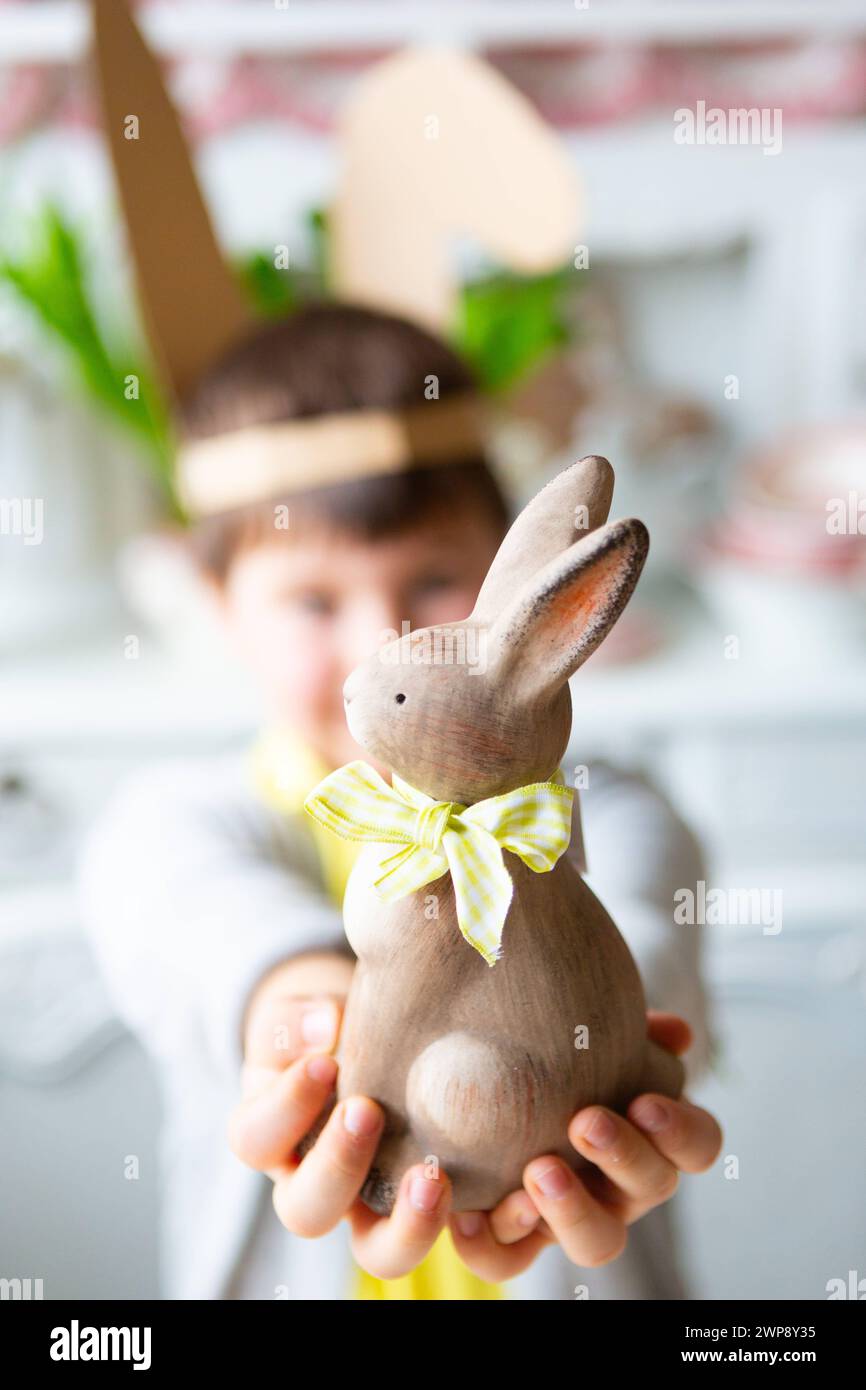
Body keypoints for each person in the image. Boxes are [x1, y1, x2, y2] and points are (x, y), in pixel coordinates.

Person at [79, 303, 722, 1300]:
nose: (377, 640)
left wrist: (605, 1051)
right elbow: (194, 915)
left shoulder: (609, 805)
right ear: (217, 611)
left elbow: (643, 933)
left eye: (430, 581)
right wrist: (305, 1018)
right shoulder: (175, 824)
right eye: (312, 601)